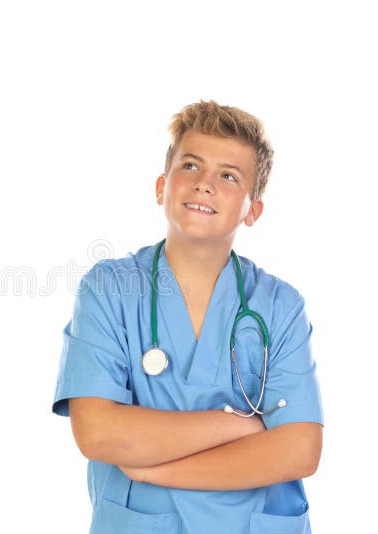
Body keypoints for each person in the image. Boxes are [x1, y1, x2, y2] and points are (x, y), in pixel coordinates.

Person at [51, 100, 324, 534]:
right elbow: (99, 434)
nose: (204, 185)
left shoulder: (280, 306)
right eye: (191, 166)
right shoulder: (109, 290)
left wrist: (150, 470)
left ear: (253, 210)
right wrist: (240, 425)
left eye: (228, 175)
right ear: (162, 187)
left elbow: (299, 451)